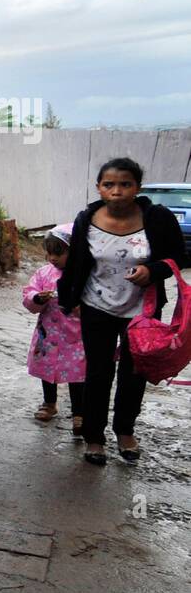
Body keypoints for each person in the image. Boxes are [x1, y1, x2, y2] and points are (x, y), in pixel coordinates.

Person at [57, 157, 187, 465]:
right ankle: (93, 437)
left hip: (142, 310)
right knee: (98, 372)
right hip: (96, 306)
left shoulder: (157, 218)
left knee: (134, 372)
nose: (117, 191)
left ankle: (125, 431)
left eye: (125, 184)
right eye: (109, 185)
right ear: (99, 188)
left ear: (137, 187)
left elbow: (178, 257)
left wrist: (153, 270)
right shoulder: (86, 218)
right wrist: (68, 298)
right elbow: (76, 262)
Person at [23, 224, 85, 437]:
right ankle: (49, 403)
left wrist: (79, 308)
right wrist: (37, 298)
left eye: (58, 253)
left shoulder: (84, 275)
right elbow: (29, 293)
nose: (52, 258)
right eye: (49, 253)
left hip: (76, 336)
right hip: (48, 333)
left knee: (77, 374)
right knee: (47, 369)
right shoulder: (44, 273)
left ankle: (79, 413)